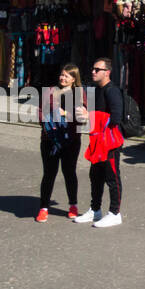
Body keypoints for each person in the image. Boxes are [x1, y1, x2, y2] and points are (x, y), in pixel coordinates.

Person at [75, 58, 124, 228]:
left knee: (112, 177)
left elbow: (116, 118)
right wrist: (84, 115)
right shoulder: (96, 90)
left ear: (107, 72)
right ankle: (95, 210)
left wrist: (91, 116)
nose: (93, 72)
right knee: (95, 176)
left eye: (97, 69)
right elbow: (94, 115)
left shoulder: (112, 91)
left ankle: (115, 213)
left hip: (110, 141)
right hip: (98, 140)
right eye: (93, 69)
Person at [37, 64, 87, 222]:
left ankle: (73, 205)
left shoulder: (80, 94)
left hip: (71, 140)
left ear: (74, 78)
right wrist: (48, 120)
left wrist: (66, 114)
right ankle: (43, 208)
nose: (62, 78)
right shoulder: (50, 91)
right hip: (49, 140)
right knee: (49, 174)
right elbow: (40, 111)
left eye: (66, 76)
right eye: (61, 75)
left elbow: (83, 117)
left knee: (69, 172)